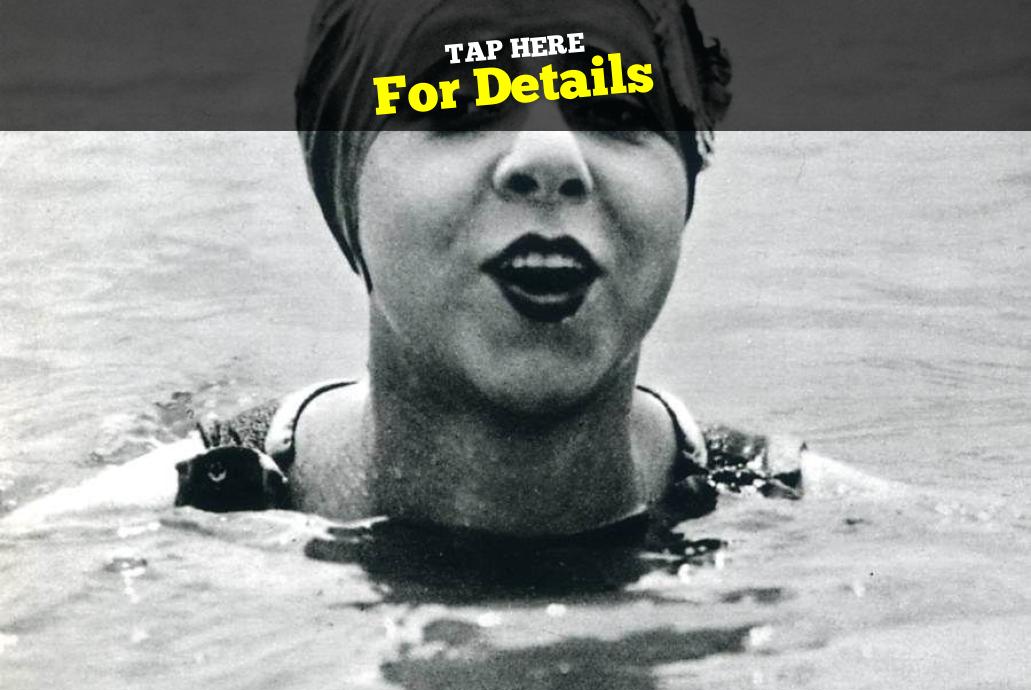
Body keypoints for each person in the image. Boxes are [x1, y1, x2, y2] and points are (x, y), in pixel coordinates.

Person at [6, 0, 883, 535]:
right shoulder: (128, 539)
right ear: (342, 184)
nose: (550, 160)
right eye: (458, 105)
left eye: (616, 107)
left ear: (688, 174)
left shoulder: (828, 524)